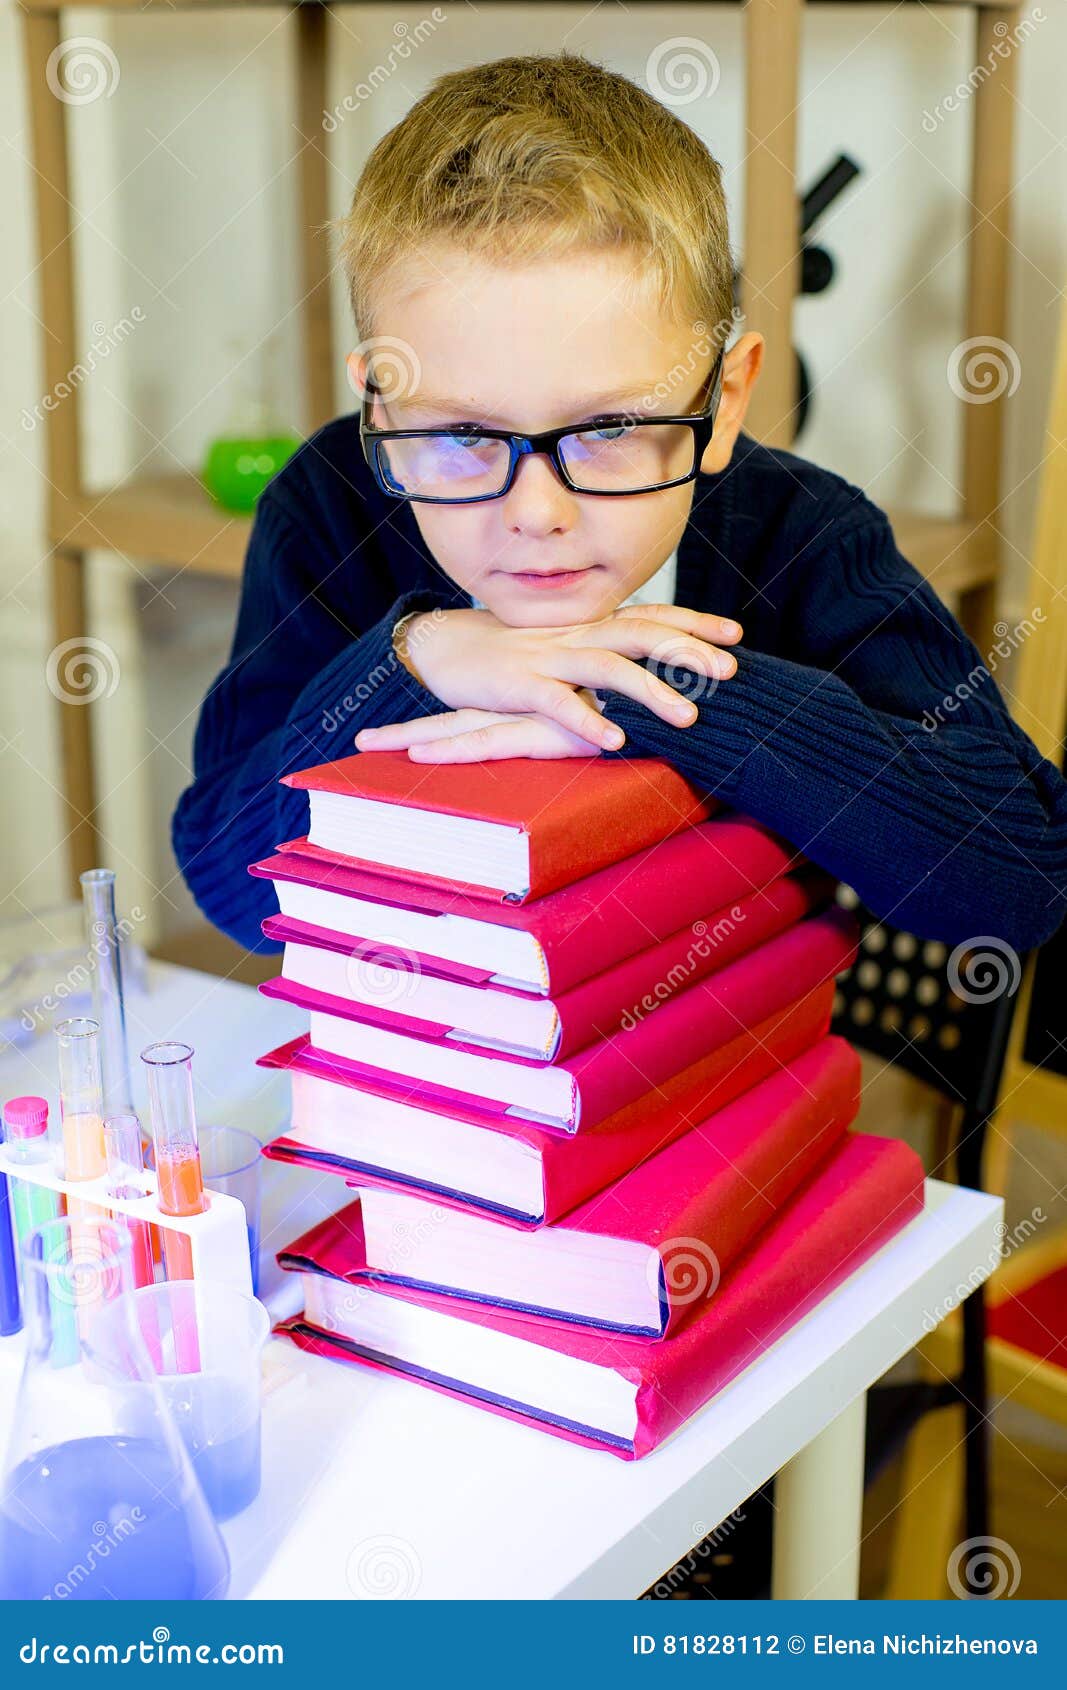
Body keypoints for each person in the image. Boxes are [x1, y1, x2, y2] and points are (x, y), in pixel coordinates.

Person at [174, 52, 1067, 958]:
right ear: (382, 405)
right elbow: (226, 881)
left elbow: (1016, 890)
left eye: (606, 429)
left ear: (723, 402)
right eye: (462, 435)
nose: (535, 513)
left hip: (711, 1061)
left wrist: (658, 685)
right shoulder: (331, 502)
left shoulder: (806, 535)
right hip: (424, 1070)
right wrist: (414, 660)